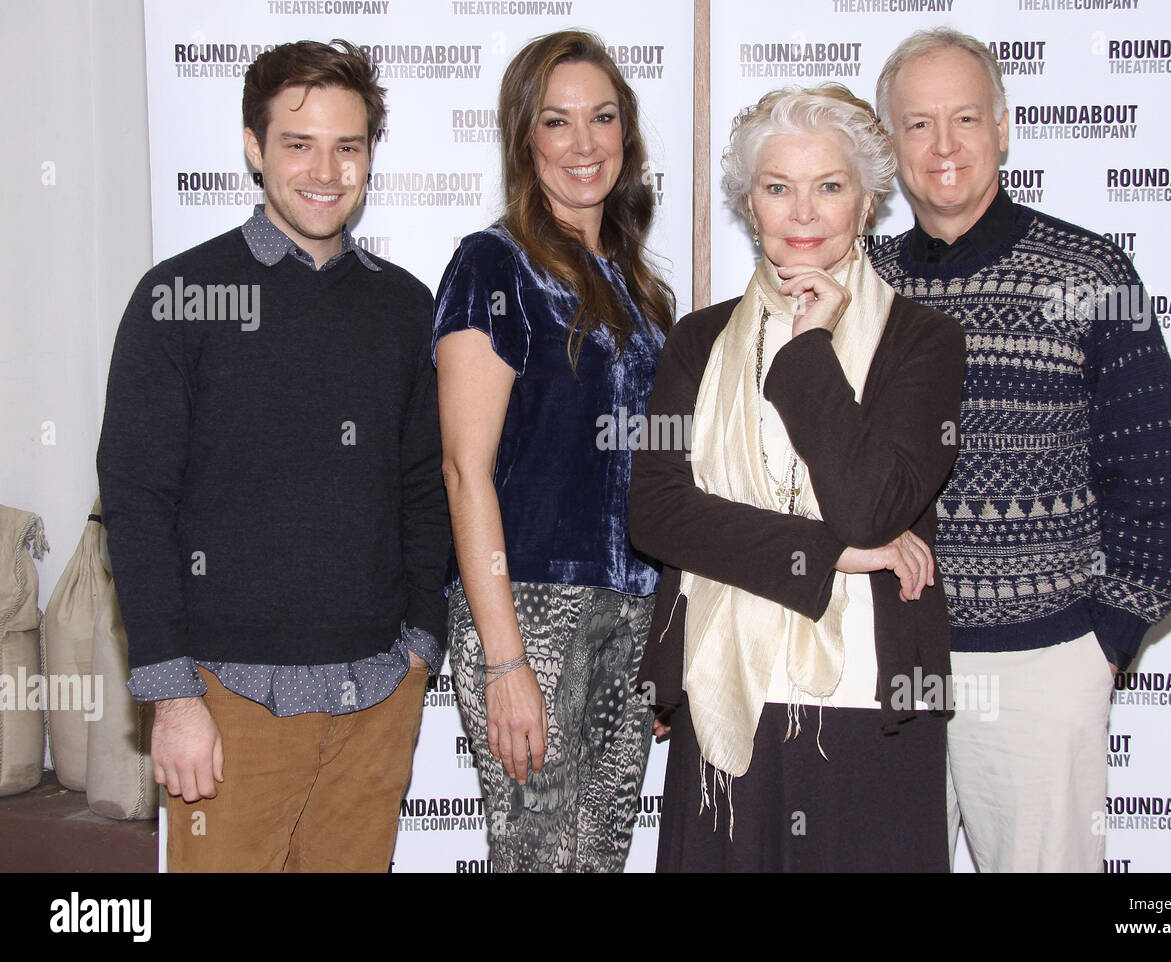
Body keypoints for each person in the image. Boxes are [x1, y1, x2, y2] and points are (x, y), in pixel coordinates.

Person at [97, 40, 450, 872]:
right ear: (254, 148)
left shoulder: (405, 306)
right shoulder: (179, 297)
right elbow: (136, 502)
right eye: (299, 144)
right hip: (225, 704)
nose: (326, 171)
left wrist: (420, 646)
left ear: (370, 154)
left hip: (376, 698)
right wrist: (172, 695)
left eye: (347, 146)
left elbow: (422, 489)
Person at [870, 27, 1171, 872]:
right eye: (918, 124)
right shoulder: (859, 282)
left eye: (965, 118)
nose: (944, 146)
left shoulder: (1092, 271)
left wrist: (1108, 637)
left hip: (1042, 665)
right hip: (881, 662)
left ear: (1004, 127)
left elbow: (1156, 463)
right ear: (890, 143)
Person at [630, 85, 966, 872]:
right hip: (726, 695)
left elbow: (870, 506)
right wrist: (829, 554)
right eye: (779, 187)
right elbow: (659, 513)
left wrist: (809, 348)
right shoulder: (699, 341)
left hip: (873, 703)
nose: (804, 212)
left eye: (830, 186)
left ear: (868, 200)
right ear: (750, 203)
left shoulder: (924, 341)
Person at [433, 30, 675, 873]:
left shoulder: (641, 287)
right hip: (529, 607)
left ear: (626, 133)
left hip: (632, 612)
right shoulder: (493, 266)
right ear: (524, 137)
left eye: (602, 118)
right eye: (557, 121)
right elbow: (464, 469)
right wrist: (506, 657)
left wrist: (663, 640)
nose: (584, 143)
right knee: (536, 859)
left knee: (598, 859)